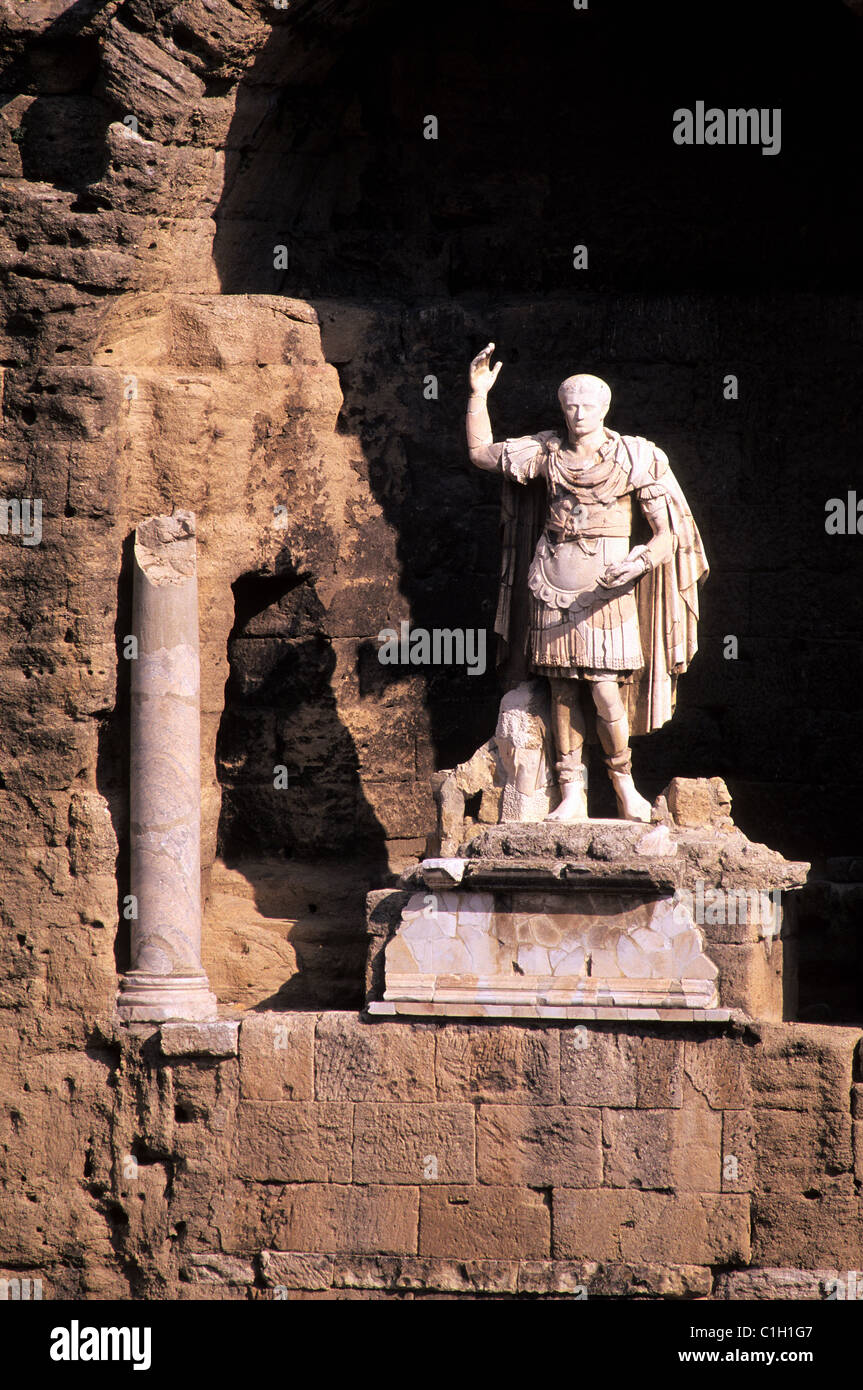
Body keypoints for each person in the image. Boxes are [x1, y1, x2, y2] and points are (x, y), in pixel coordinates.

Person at [466, 342, 709, 822]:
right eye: (570, 405)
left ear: (605, 408)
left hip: (608, 588)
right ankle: (572, 791)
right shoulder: (546, 453)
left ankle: (624, 786)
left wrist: (639, 564)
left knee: (603, 688)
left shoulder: (637, 457)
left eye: (588, 406)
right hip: (551, 583)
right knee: (560, 691)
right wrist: (478, 395)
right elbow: (480, 455)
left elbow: (667, 537)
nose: (578, 414)